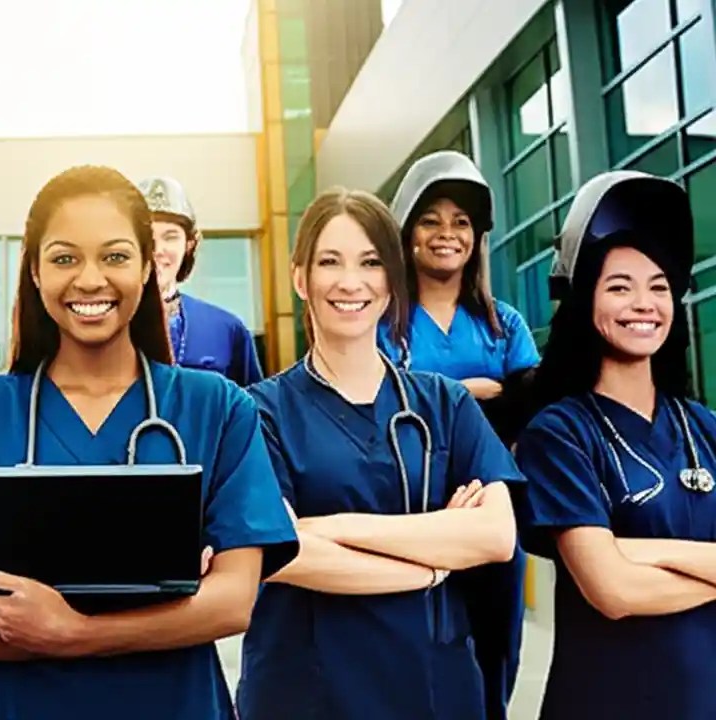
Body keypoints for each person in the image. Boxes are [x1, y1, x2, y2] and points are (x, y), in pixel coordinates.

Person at [0, 165, 298, 719]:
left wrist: (71, 633)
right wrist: (162, 615)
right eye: (64, 258)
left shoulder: (216, 409)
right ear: (33, 271)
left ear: (149, 267)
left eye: (116, 256)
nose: (90, 279)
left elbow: (233, 602)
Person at [237, 187, 524, 720]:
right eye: (330, 262)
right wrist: (434, 563)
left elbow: (495, 535)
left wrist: (328, 528)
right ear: (300, 278)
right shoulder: (257, 413)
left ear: (393, 280)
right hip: (307, 691)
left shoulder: (444, 403)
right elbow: (282, 555)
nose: (351, 282)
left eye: (370, 262)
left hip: (435, 687)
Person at [515, 170, 716, 719]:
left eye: (658, 285)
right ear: (585, 301)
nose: (643, 303)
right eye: (619, 286)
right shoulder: (560, 434)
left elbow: (622, 568)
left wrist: (635, 548)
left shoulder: (705, 428)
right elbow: (612, 590)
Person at [380, 149, 538, 719]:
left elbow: (530, 404)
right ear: (407, 233)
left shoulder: (504, 322)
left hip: (491, 511)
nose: (447, 234)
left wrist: (440, 390)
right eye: (431, 219)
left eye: (461, 222)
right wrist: (477, 391)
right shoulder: (381, 322)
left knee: (494, 656)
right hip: (407, 512)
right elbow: (377, 404)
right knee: (412, 658)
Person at [137, 175, 263, 386]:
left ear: (189, 244)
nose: (157, 250)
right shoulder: (108, 325)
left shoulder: (226, 329)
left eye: (170, 237)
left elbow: (252, 412)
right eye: (147, 238)